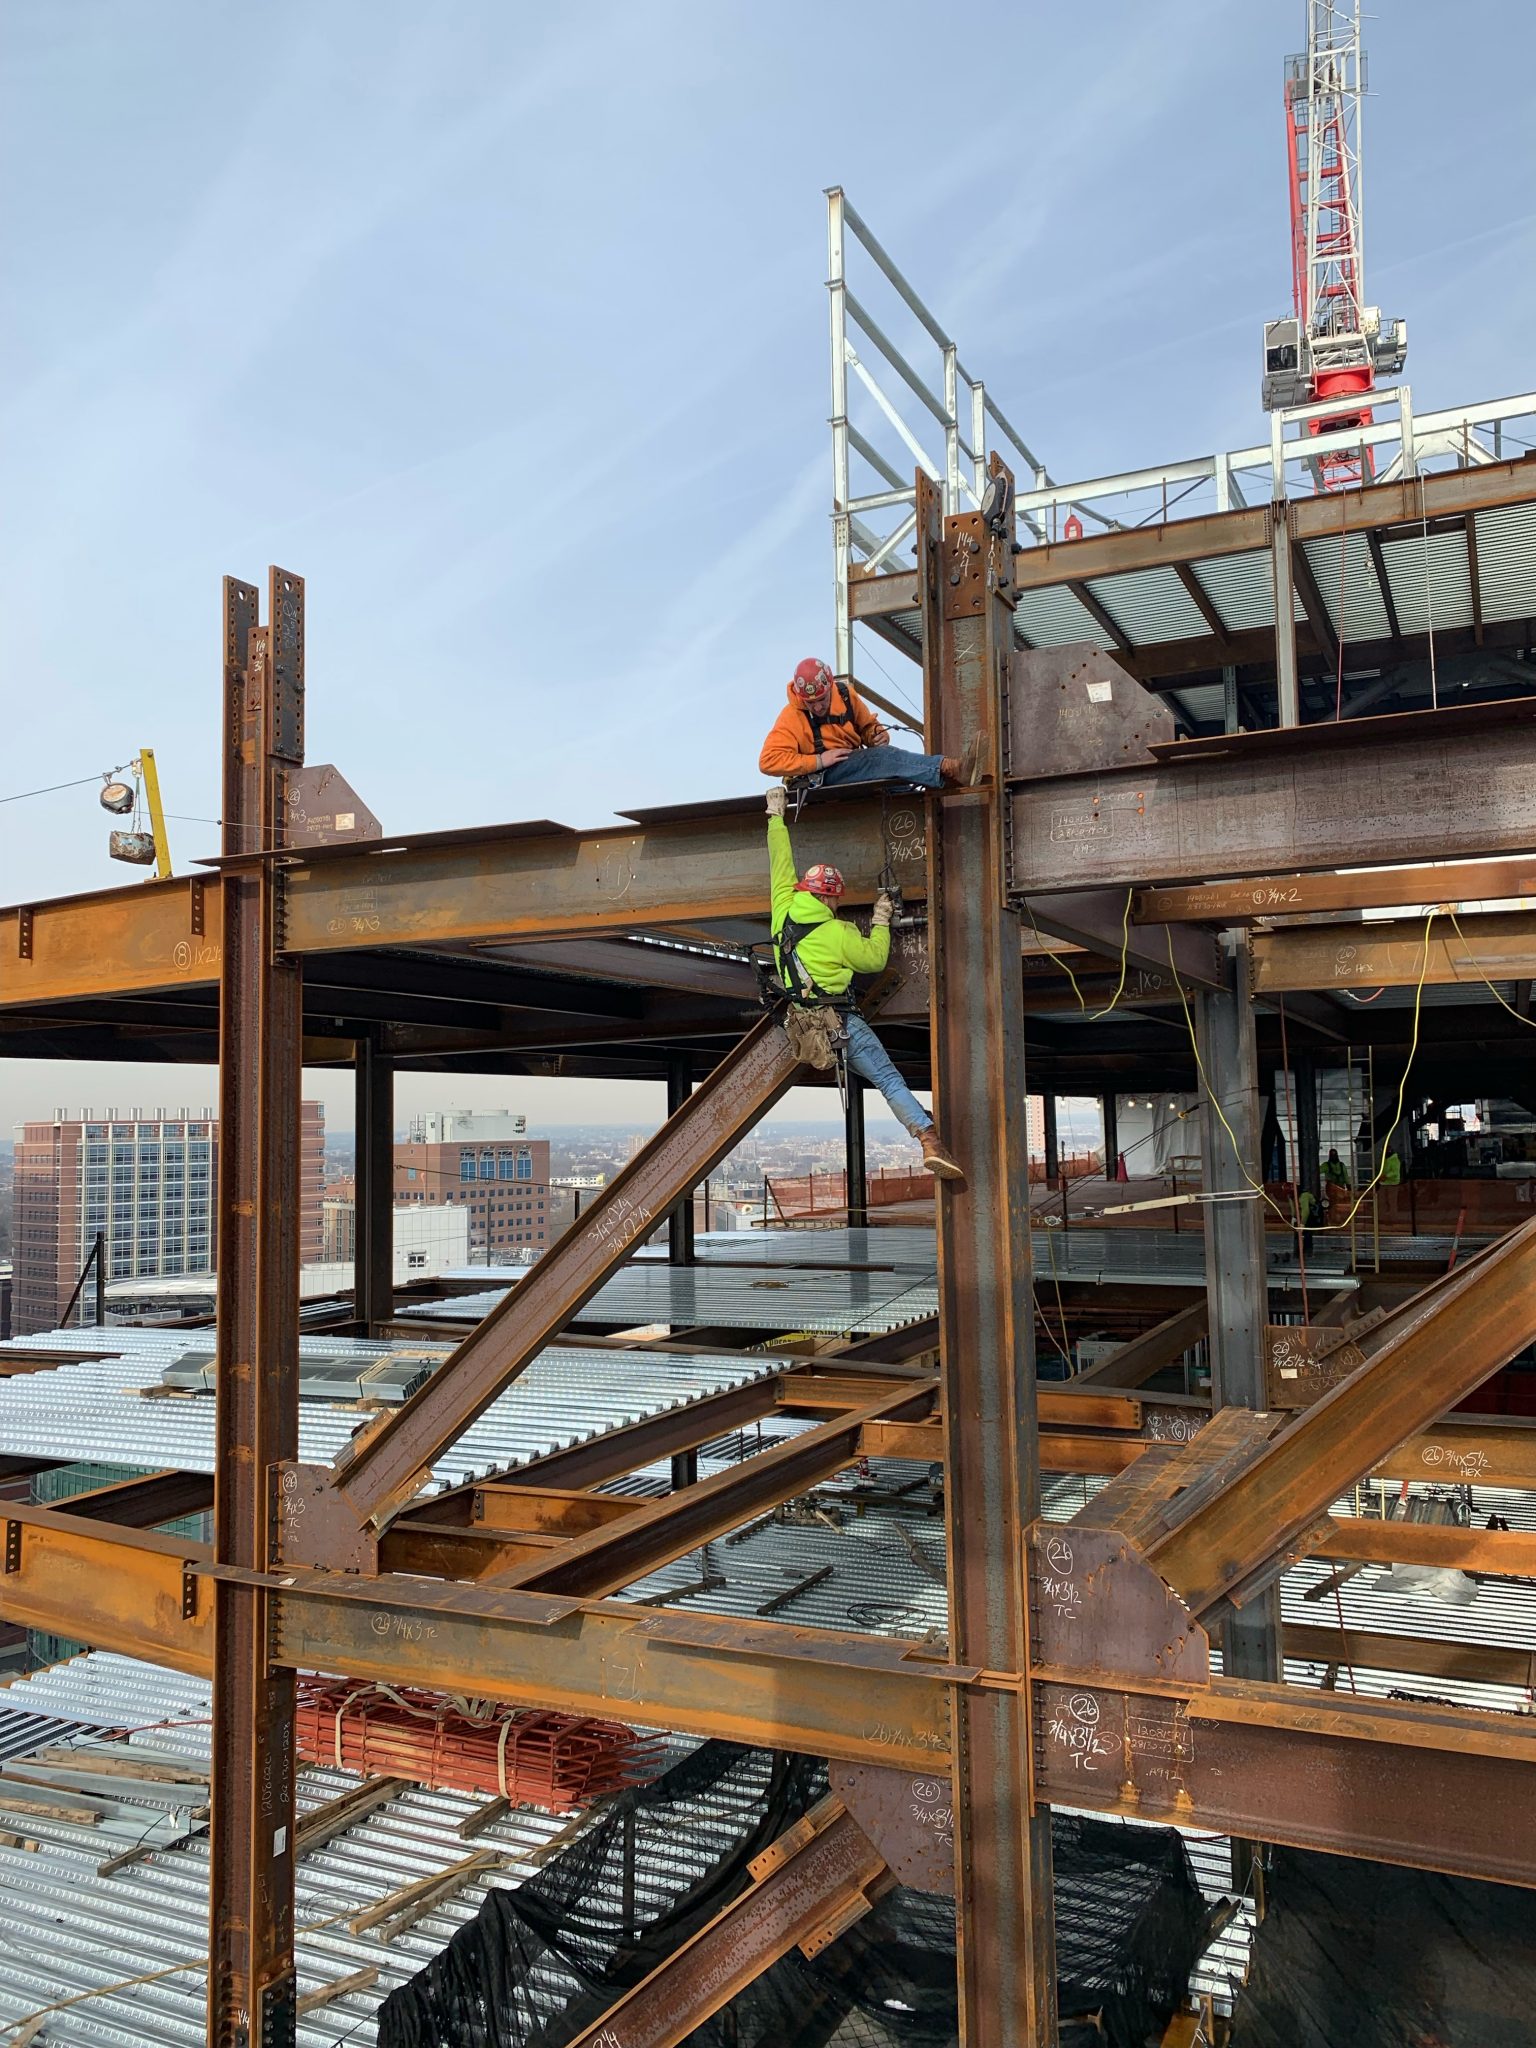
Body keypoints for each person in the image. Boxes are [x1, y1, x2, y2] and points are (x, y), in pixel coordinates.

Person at [765, 785, 963, 1180]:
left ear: (806, 890)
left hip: (803, 1024)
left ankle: (925, 1128)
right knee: (888, 1078)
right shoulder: (838, 932)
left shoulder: (782, 908)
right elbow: (874, 958)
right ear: (832, 900)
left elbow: (780, 863)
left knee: (884, 1078)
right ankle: (928, 1139)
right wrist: (880, 921)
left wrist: (775, 816)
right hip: (841, 1024)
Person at [759, 658, 982, 794]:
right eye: (811, 703)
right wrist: (818, 760)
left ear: (830, 689)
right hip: (821, 778)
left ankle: (947, 783)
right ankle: (951, 768)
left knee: (896, 783)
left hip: (852, 765)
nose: (817, 707)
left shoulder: (845, 694)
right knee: (879, 759)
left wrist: (876, 735)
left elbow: (867, 727)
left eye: (822, 700)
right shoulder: (791, 716)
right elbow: (768, 761)